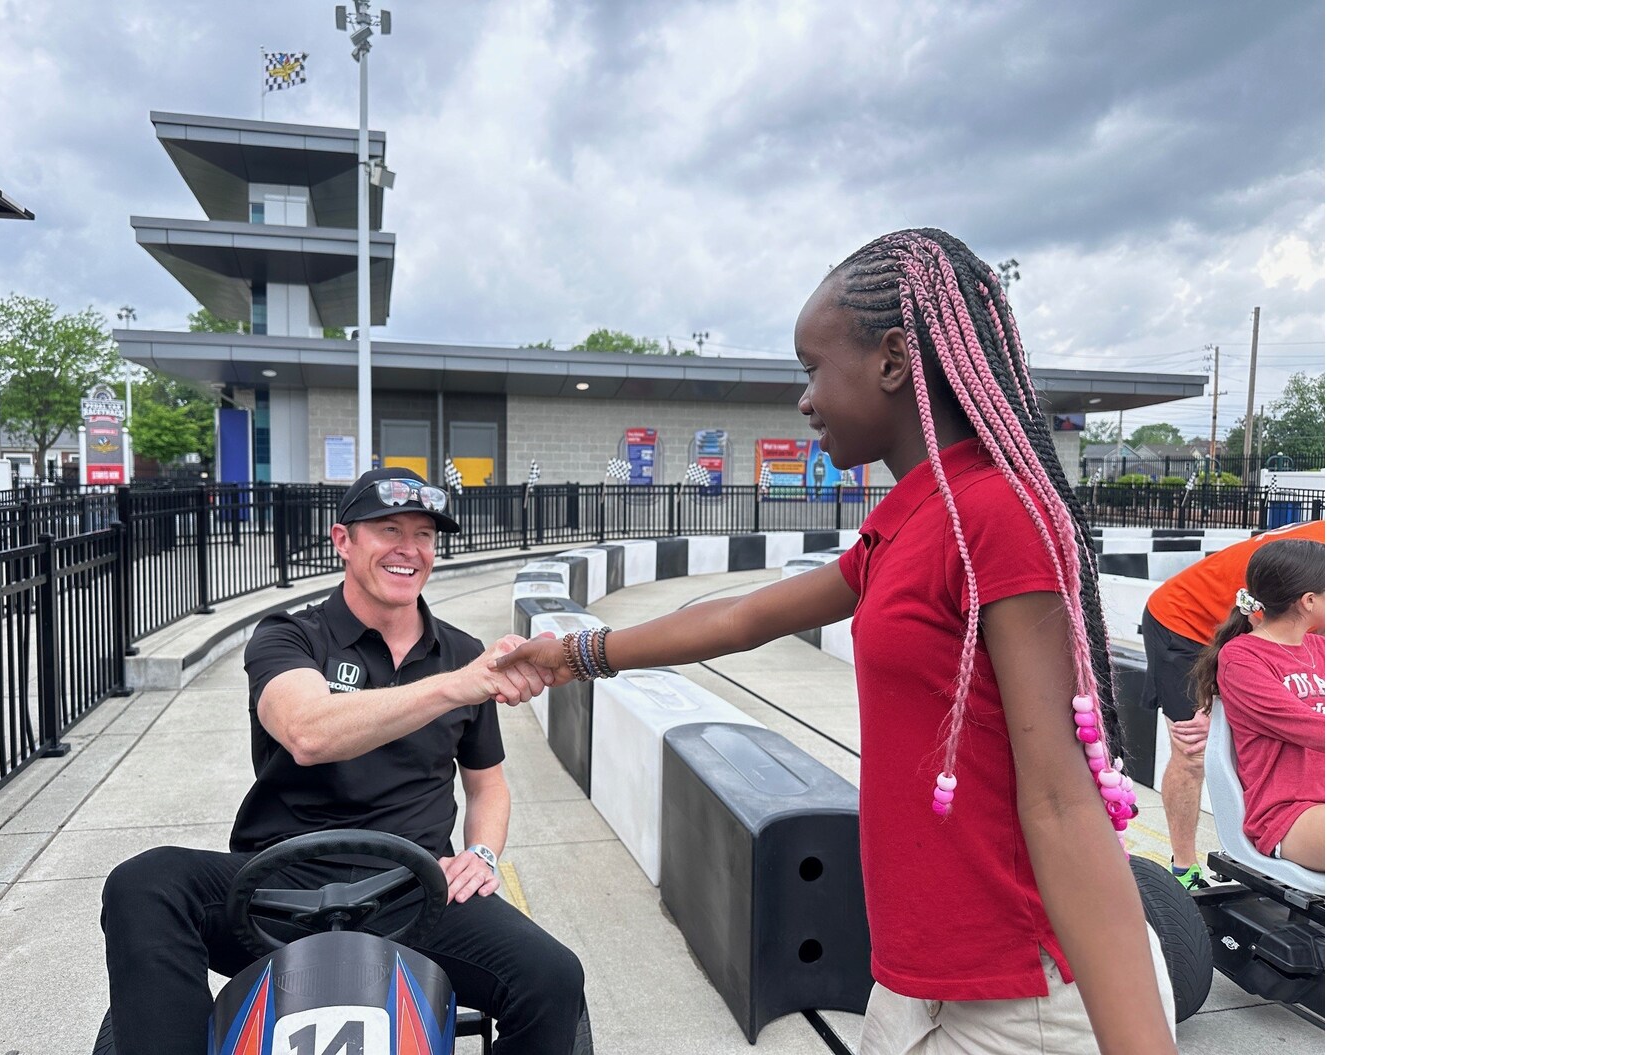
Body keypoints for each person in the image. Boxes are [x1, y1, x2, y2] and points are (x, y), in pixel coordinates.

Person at [499, 229, 1176, 1054]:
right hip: (916, 982)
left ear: (893, 360)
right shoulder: (909, 518)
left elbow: (1063, 801)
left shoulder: (996, 514)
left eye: (812, 367)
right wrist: (575, 656)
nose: (804, 398)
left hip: (1022, 1001)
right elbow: (742, 616)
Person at [98, 467, 588, 1054]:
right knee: (144, 883)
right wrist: (458, 686)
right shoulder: (290, 635)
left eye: (425, 535)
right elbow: (308, 732)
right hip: (280, 884)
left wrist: (481, 854)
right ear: (343, 541)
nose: (410, 549)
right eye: (389, 530)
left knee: (555, 978)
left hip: (415, 889)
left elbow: (488, 787)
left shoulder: (460, 654)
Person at [1138, 519, 1324, 888]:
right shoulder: (1316, 561)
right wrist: (1223, 706)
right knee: (1192, 750)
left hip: (1268, 634)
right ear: (1309, 600)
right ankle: (1184, 868)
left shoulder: (1317, 641)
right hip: (1182, 621)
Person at [1188, 538, 1325, 871]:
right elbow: (1307, 728)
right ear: (1308, 601)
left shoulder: (1321, 648)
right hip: (1290, 813)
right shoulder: (1241, 659)